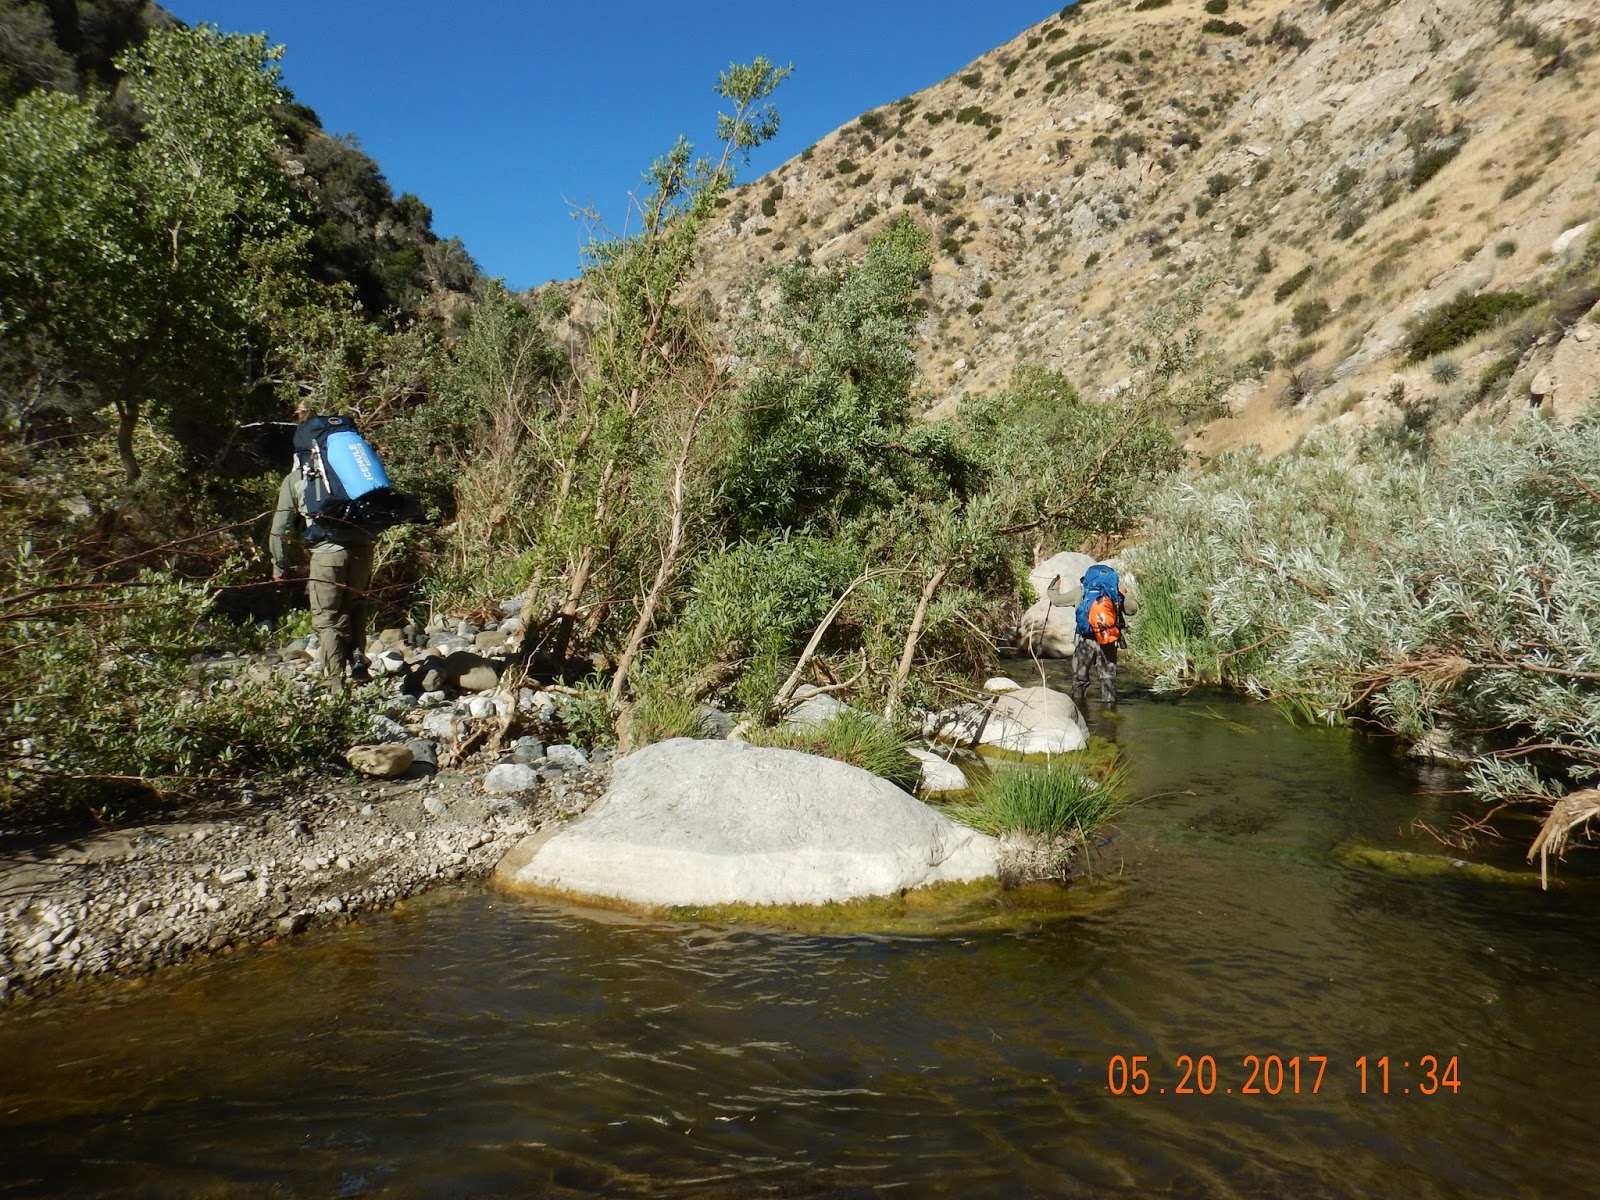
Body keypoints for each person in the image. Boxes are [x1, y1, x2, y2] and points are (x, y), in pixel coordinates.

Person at [269, 458, 375, 691]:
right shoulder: (351, 467)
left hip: (327, 555)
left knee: (327, 618)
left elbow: (280, 528)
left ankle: (335, 681)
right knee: (356, 604)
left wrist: (279, 565)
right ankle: (358, 661)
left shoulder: (297, 478)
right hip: (363, 549)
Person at [1046, 564, 1138, 705]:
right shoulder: (1114, 593)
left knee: (1080, 678)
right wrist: (1123, 593)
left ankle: (1078, 709)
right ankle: (1110, 712)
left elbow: (1056, 600)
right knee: (1107, 679)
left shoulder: (1081, 591)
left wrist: (1054, 585)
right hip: (1108, 640)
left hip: (1085, 640)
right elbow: (1133, 610)